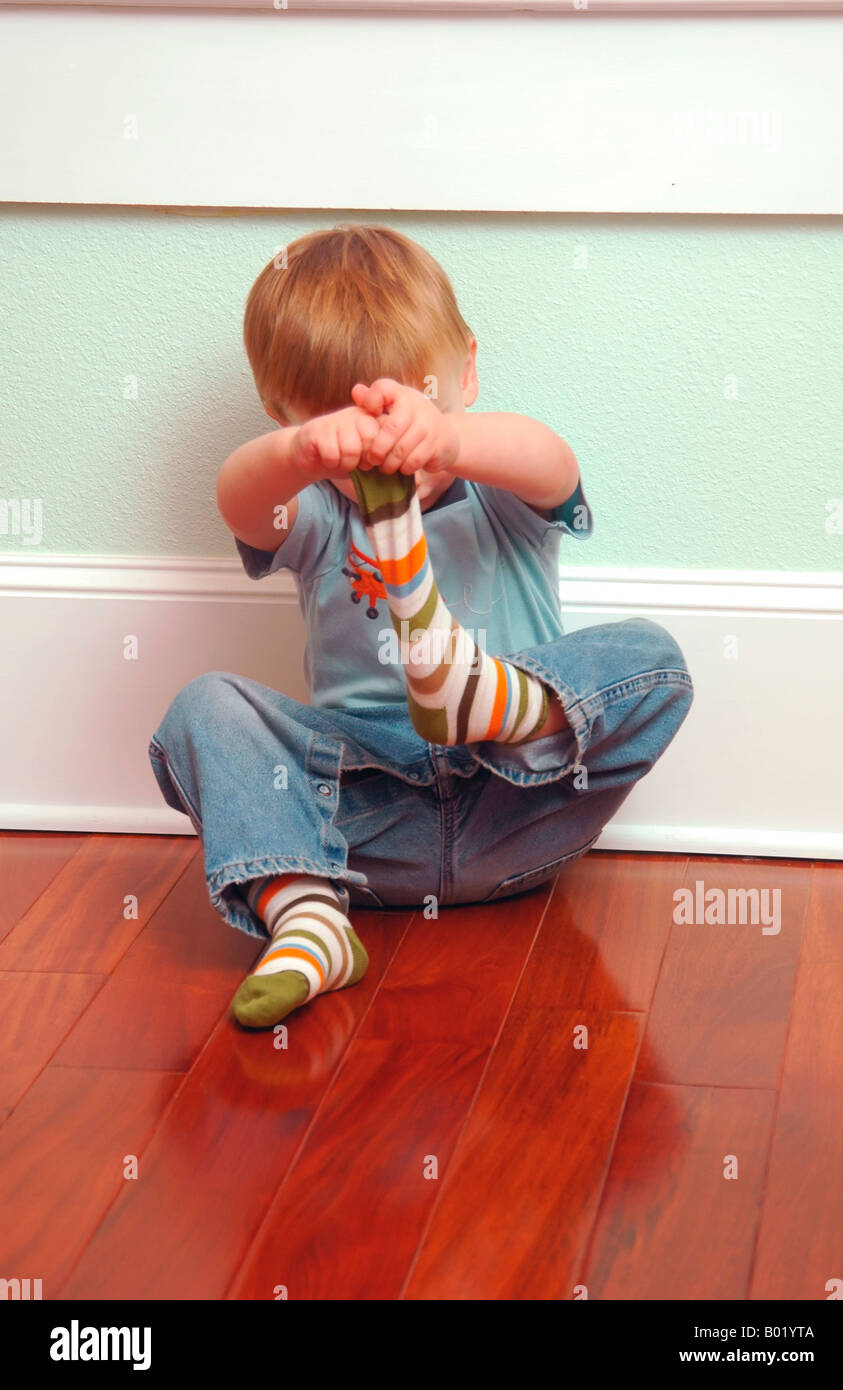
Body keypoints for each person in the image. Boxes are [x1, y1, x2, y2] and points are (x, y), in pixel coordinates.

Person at [148, 223, 694, 1029]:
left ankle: (481, 694)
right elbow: (242, 503)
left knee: (655, 660)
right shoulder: (319, 513)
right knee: (201, 709)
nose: (392, 445)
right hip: (362, 828)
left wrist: (453, 439)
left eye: (419, 403)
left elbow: (554, 461)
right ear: (284, 415)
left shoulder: (498, 492)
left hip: (517, 797)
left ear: (467, 370)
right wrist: (299, 455)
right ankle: (308, 920)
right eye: (350, 427)